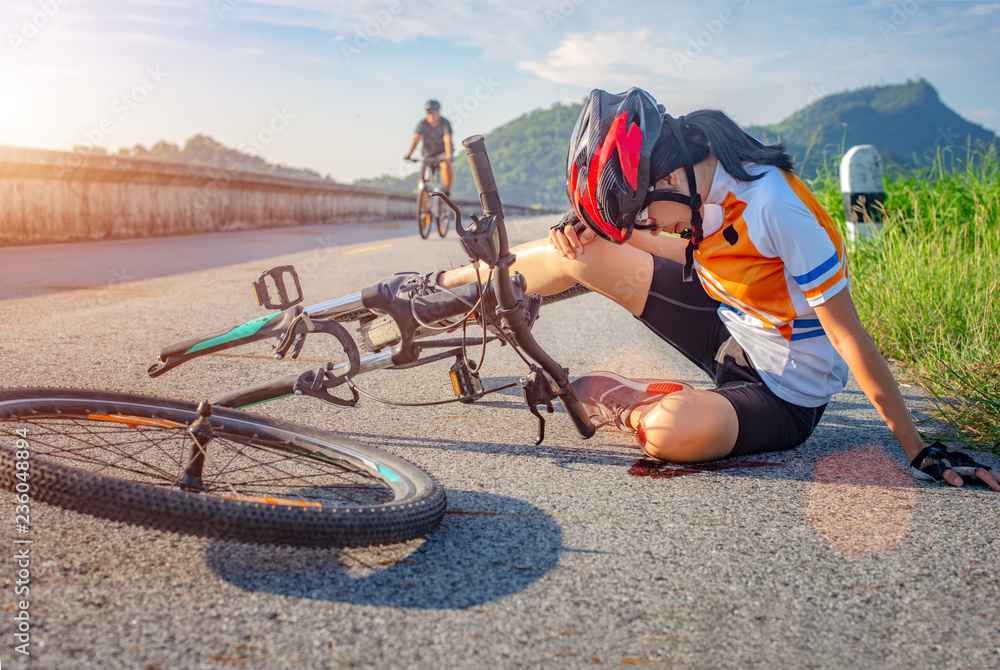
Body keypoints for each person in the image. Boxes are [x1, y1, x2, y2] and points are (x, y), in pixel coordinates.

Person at [431, 87, 998, 490]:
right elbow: (688, 247)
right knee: (581, 249)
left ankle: (632, 397)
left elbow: (850, 339)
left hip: (782, 392)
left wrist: (916, 447)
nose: (651, 227)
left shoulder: (779, 206)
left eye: (647, 213)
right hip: (728, 326)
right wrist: (599, 231)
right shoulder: (696, 187)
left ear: (670, 180)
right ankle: (438, 293)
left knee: (670, 432)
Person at [403, 99, 454, 195]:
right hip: (428, 156)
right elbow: (416, 140)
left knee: (446, 165)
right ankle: (423, 209)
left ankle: (447, 191)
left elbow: (448, 140)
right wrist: (409, 154)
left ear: (438, 112)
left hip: (442, 154)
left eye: (433, 112)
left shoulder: (445, 123)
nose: (431, 115)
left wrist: (448, 155)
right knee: (422, 185)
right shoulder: (422, 124)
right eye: (428, 113)